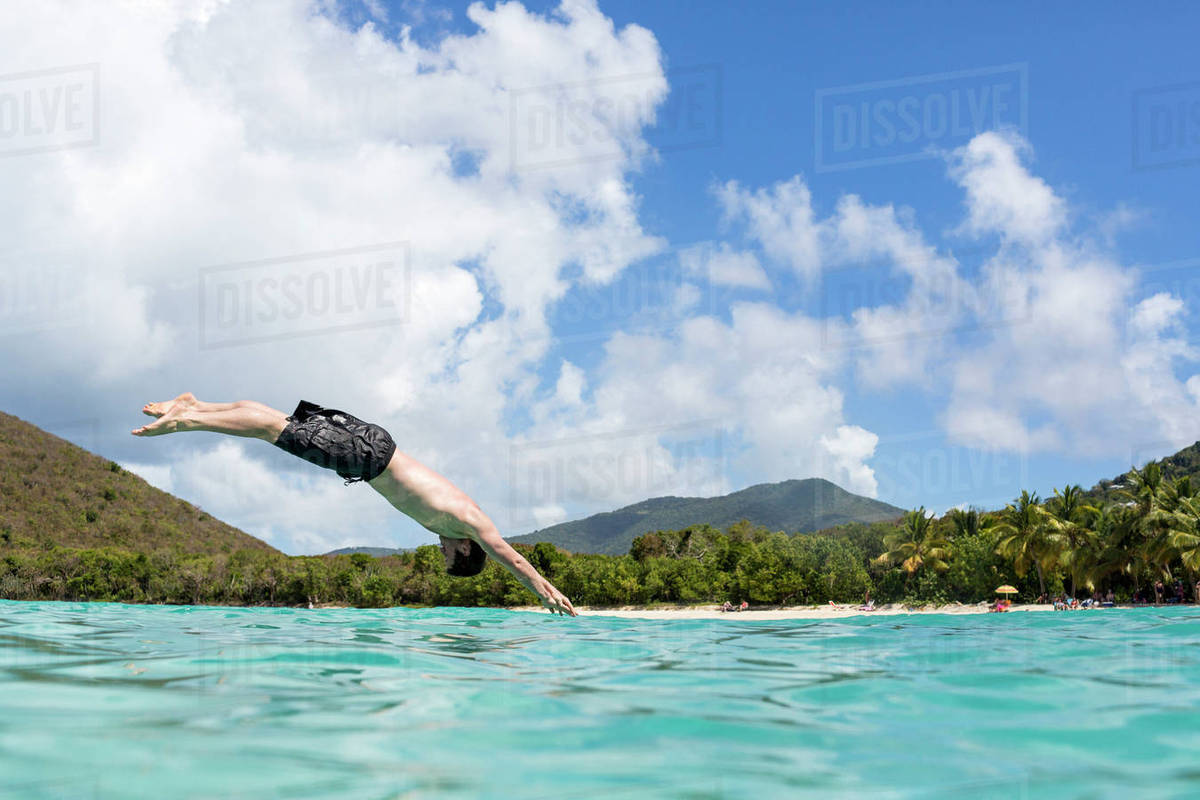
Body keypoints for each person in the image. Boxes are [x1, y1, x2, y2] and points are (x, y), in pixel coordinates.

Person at [132, 393, 576, 616]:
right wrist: (545, 592)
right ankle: (188, 420)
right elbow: (512, 559)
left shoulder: (451, 519)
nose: (439, 548)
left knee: (280, 422)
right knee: (272, 429)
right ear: (464, 550)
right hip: (368, 457)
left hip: (373, 448)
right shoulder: (471, 523)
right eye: (446, 555)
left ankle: (194, 404)